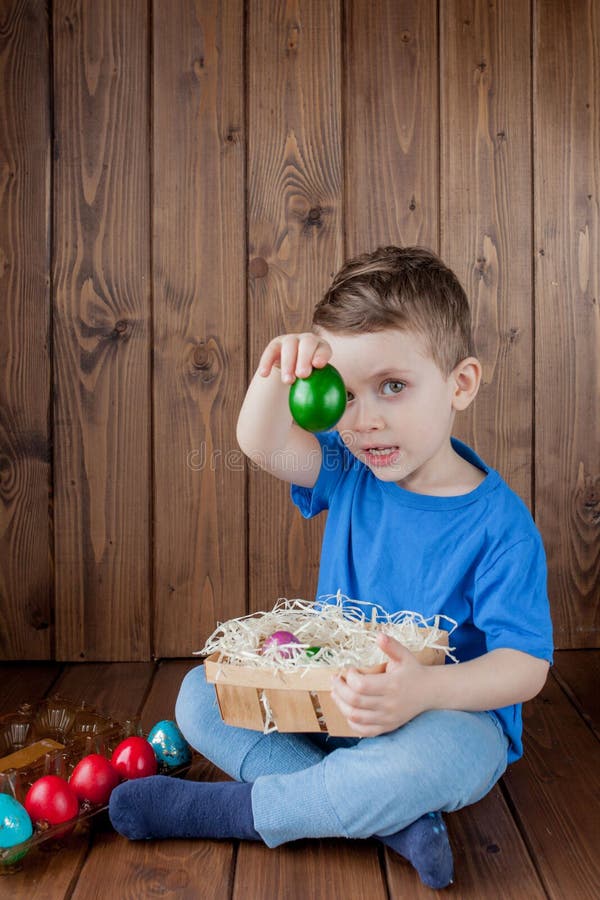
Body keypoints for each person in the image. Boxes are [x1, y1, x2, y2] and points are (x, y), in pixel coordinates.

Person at [109, 246, 553, 890]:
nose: (365, 420)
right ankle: (388, 822)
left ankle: (239, 812)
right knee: (198, 700)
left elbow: (526, 666)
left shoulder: (499, 527)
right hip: (325, 709)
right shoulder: (351, 474)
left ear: (461, 383)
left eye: (392, 387)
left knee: (418, 766)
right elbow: (259, 443)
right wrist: (276, 369)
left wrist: (423, 692)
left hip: (441, 724)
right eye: (343, 395)